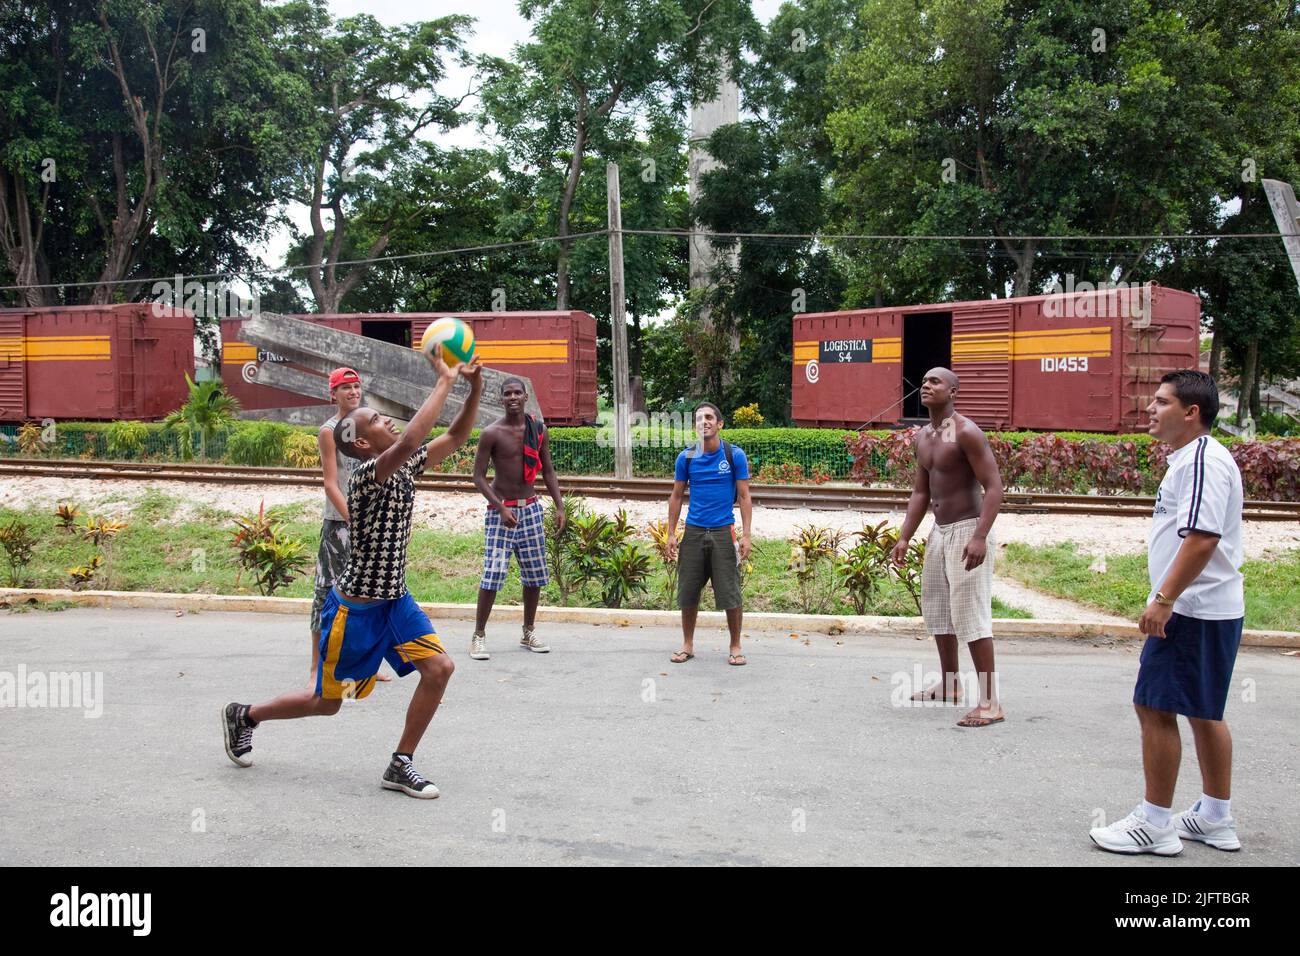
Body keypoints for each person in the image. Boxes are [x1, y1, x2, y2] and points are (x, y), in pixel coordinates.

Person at [222, 353, 483, 799]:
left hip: (395, 601)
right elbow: (412, 438)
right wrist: (445, 380)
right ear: (362, 443)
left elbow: (456, 436)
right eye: (378, 420)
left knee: (440, 668)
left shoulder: (405, 465)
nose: (388, 421)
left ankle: (400, 763)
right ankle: (245, 715)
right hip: (356, 612)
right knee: (326, 704)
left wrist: (474, 388)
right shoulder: (365, 478)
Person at [1090, 370, 1245, 855]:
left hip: (1192, 609)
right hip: (1210, 606)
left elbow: (1202, 538)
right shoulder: (1198, 458)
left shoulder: (1201, 460)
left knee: (1154, 706)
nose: (1150, 409)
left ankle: (1155, 823)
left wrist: (1164, 599)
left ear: (1191, 412)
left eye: (1161, 402)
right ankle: (1214, 817)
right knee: (1203, 710)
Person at [891, 368, 1005, 728]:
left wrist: (980, 536)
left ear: (953, 391)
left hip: (968, 529)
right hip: (940, 531)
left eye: (935, 381)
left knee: (970, 614)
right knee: (938, 608)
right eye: (924, 381)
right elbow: (920, 492)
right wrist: (905, 536)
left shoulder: (966, 432)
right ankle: (950, 684)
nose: (926, 385)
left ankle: (991, 702)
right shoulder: (924, 436)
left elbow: (994, 487)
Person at [468, 376, 565, 659]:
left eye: (517, 393)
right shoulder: (491, 433)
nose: (512, 397)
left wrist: (559, 507)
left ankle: (528, 631)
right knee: (493, 574)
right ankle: (478, 635)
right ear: (501, 399)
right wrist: (500, 507)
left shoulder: (538, 429)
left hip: (531, 509)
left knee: (534, 575)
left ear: (525, 397)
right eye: (507, 393)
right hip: (501, 512)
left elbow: (548, 471)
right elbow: (478, 477)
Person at [309, 368, 388, 684]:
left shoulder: (368, 424)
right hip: (339, 526)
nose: (353, 392)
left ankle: (366, 665)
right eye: (345, 388)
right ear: (333, 394)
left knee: (368, 593)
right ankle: (316, 668)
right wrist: (352, 520)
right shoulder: (329, 431)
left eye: (356, 386)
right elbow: (331, 483)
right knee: (326, 592)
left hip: (371, 524)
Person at [666, 402, 752, 666]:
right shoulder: (686, 457)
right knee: (688, 590)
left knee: (730, 591)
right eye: (698, 419)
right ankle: (687, 644)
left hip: (723, 532)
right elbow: (676, 496)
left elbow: (744, 496)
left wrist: (746, 535)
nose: (703, 422)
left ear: (719, 424)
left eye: (709, 418)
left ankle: (735, 646)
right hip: (693, 531)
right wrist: (671, 533)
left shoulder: (734, 455)